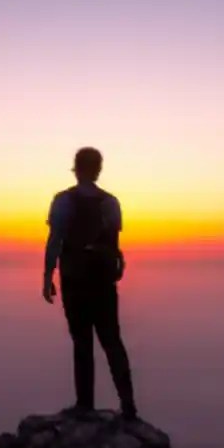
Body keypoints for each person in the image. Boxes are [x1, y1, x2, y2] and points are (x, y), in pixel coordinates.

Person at [42, 146, 138, 420]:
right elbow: (113, 242)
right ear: (98, 169)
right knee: (112, 340)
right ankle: (128, 404)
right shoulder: (111, 202)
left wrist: (48, 275)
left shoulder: (63, 201)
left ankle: (85, 404)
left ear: (76, 168)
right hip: (103, 282)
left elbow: (55, 240)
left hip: (74, 279)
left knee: (82, 342)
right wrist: (115, 267)